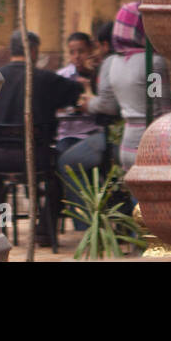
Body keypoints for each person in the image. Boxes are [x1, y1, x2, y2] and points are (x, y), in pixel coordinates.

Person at [0, 30, 82, 244]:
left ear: (12, 50)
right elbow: (77, 91)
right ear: (33, 51)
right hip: (38, 158)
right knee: (60, 174)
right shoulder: (46, 79)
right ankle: (44, 231)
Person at [84, 3, 171, 170]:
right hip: (150, 145)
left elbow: (109, 102)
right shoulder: (152, 62)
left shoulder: (112, 63)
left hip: (126, 146)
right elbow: (164, 109)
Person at [56, 32, 106, 228]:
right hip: (69, 134)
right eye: (72, 52)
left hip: (93, 134)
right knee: (63, 161)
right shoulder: (61, 77)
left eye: (81, 52)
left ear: (90, 52)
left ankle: (100, 217)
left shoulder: (99, 75)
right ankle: (83, 222)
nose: (77, 57)